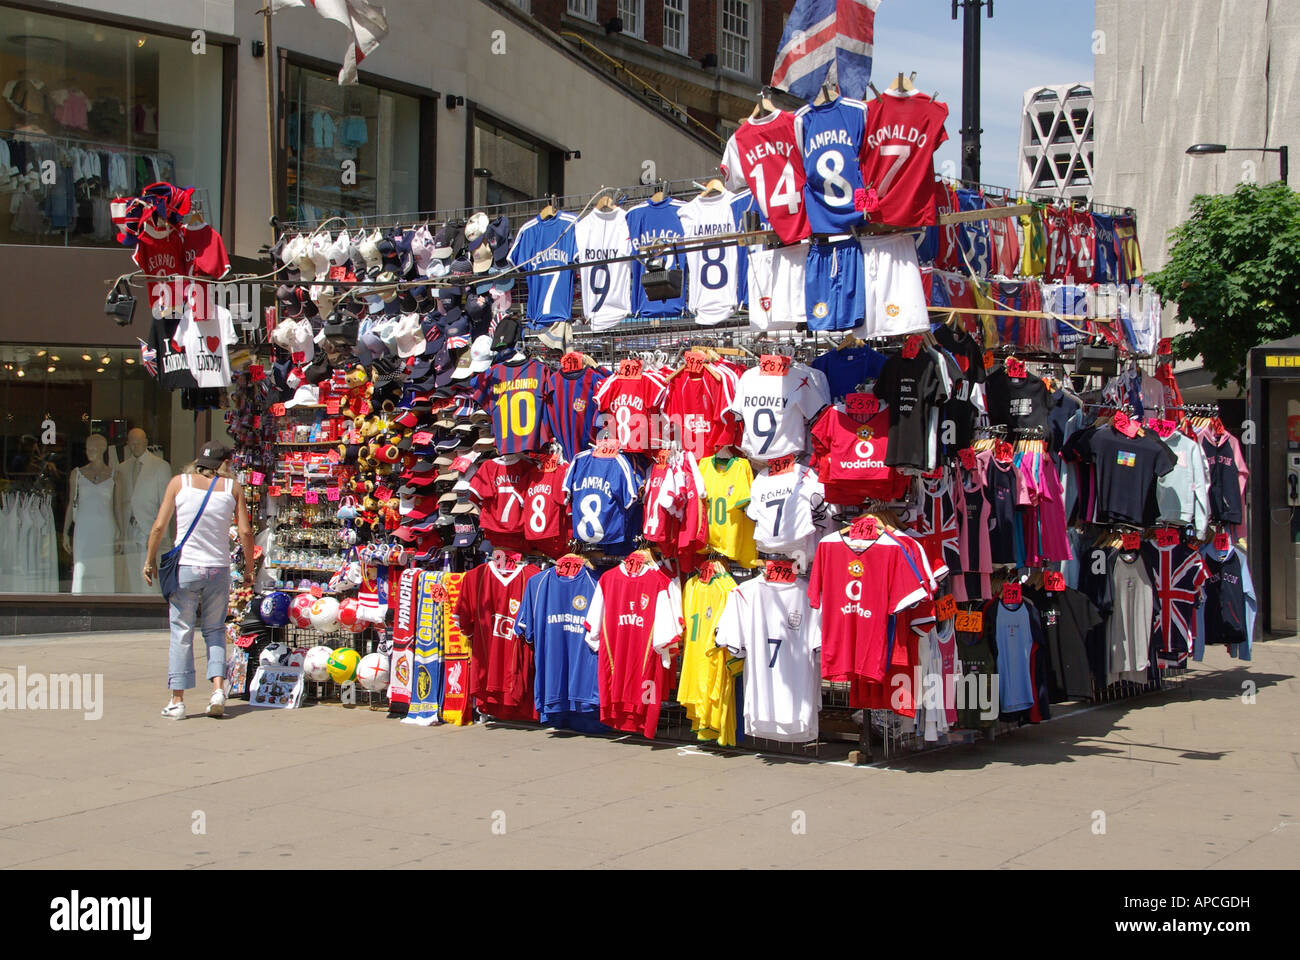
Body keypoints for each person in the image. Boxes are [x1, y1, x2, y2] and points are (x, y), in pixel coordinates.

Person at [143, 441, 254, 719]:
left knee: (181, 631)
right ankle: (218, 690)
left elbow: (159, 526)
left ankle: (177, 700)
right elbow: (245, 532)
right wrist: (250, 569)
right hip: (218, 568)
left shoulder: (179, 483)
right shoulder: (232, 488)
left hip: (187, 568)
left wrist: (149, 560)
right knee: (215, 629)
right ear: (224, 464)